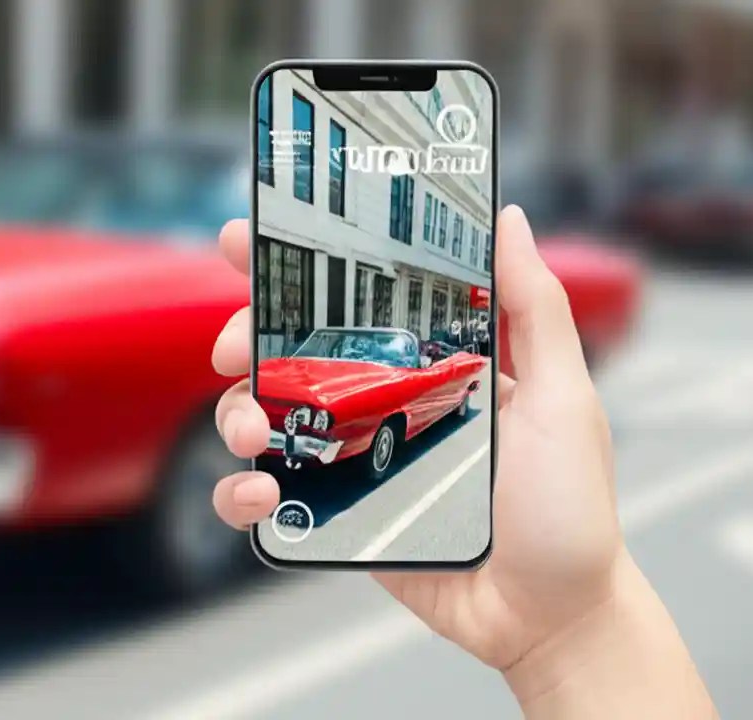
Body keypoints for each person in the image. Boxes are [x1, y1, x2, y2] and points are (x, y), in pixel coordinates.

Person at [209, 206, 717, 718]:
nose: (347, 353)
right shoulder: (291, 365)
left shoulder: (415, 364)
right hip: (307, 417)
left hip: (346, 410)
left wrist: (574, 625)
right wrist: (569, 636)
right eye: (337, 347)